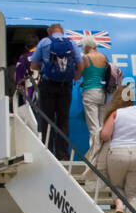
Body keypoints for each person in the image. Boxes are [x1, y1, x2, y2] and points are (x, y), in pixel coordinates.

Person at [30, 23, 80, 159]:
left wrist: (43, 69)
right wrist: (76, 76)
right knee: (63, 120)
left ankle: (47, 152)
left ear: (49, 32)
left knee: (47, 119)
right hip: (66, 86)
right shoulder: (71, 43)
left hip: (48, 86)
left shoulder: (44, 42)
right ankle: (62, 154)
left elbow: (33, 65)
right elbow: (80, 63)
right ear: (62, 32)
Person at [100, 93, 136, 213]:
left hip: (118, 153)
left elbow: (105, 135)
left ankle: (119, 205)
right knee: (133, 193)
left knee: (115, 184)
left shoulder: (116, 113)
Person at [77, 36, 109, 159]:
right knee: (102, 126)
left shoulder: (85, 58)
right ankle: (103, 154)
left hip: (90, 92)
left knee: (93, 127)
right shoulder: (104, 58)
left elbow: (78, 75)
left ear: (86, 46)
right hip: (102, 92)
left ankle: (94, 156)